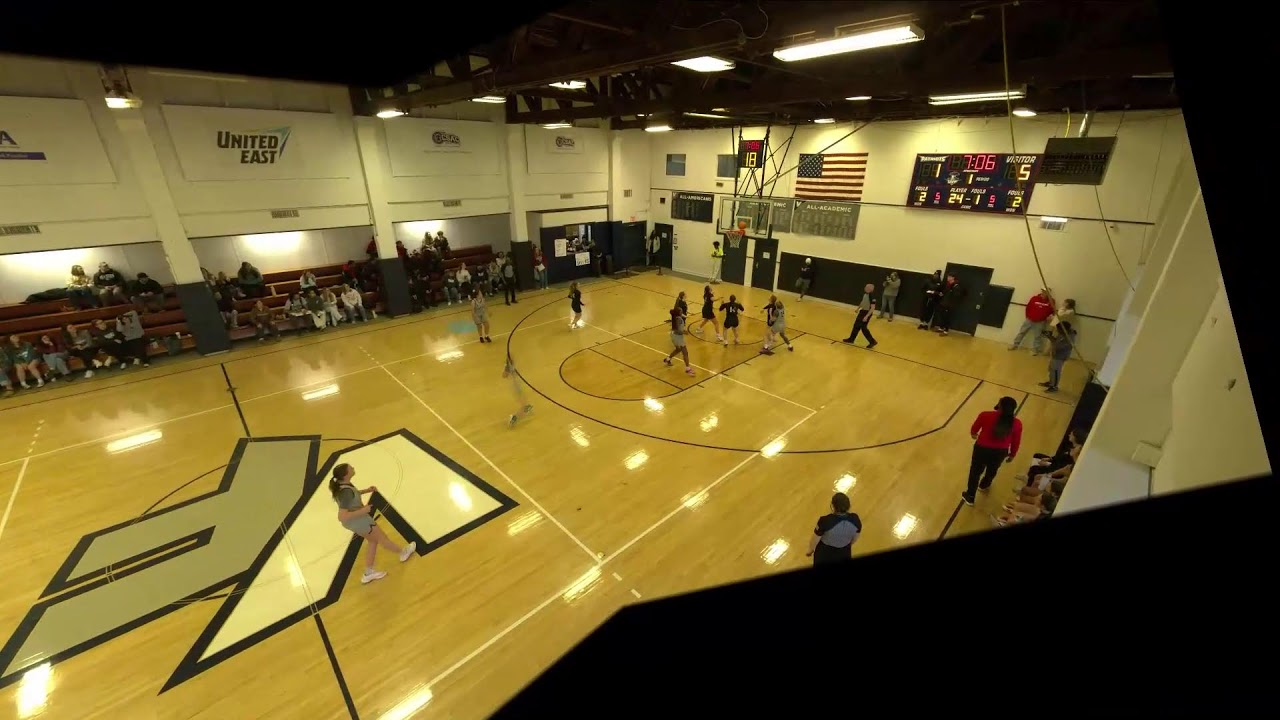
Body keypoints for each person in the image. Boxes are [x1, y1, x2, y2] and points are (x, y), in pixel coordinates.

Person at [329, 463, 416, 585]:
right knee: (382, 539)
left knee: (372, 541)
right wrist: (363, 511)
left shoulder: (343, 486)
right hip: (359, 520)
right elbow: (341, 516)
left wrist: (367, 490)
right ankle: (403, 552)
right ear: (346, 474)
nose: (353, 468)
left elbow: (353, 495)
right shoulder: (345, 493)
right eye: (350, 468)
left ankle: (368, 573)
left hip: (356, 521)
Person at [961, 396, 1022, 506]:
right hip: (1000, 452)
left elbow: (974, 430)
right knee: (992, 469)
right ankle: (984, 485)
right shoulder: (1017, 423)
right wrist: (1012, 454)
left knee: (975, 471)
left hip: (981, 449)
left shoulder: (985, 415)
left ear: (999, 406)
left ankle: (970, 496)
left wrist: (974, 434)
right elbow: (1016, 441)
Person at [805, 492, 861, 566]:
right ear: (849, 506)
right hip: (844, 551)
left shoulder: (825, 520)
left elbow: (815, 539)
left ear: (833, 506)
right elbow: (855, 538)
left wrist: (810, 550)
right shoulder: (855, 519)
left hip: (824, 553)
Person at [1010, 288, 1055, 353]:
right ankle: (1015, 345)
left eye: (1045, 292)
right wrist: (1028, 317)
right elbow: (1028, 307)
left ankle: (1035, 349)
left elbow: (1052, 311)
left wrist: (1049, 316)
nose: (1043, 293)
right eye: (1043, 291)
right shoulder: (1034, 298)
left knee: (1038, 336)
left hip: (1041, 321)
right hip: (1030, 319)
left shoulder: (1051, 301)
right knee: (1022, 332)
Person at [663, 299, 695, 376]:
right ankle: (688, 369)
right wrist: (684, 332)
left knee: (678, 349)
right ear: (679, 313)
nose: (682, 312)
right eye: (681, 311)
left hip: (675, 336)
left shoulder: (676, 317)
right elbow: (678, 331)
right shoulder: (678, 320)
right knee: (685, 353)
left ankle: (668, 359)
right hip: (677, 337)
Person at [1043, 321, 1076, 393]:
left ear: (1063, 329)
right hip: (1055, 355)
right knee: (1051, 369)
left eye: (1058, 329)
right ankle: (1051, 382)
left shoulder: (1069, 338)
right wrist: (1050, 337)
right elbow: (1056, 342)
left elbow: (1061, 346)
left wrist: (1054, 345)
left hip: (1060, 356)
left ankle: (1054, 387)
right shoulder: (1062, 334)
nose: (1057, 331)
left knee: (1055, 371)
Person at [842, 283, 878, 349]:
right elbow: (862, 302)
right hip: (862, 311)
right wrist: (858, 308)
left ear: (870, 289)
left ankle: (872, 341)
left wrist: (866, 316)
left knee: (863, 328)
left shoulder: (872, 297)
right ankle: (851, 339)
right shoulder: (865, 294)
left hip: (866, 313)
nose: (865, 288)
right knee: (856, 326)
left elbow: (872, 308)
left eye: (867, 287)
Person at [503, 354, 534, 428]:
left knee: (523, 402)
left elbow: (504, 375)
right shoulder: (510, 367)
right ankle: (515, 417)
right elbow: (504, 375)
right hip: (517, 387)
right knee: (523, 404)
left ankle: (526, 408)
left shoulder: (509, 367)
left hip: (517, 386)